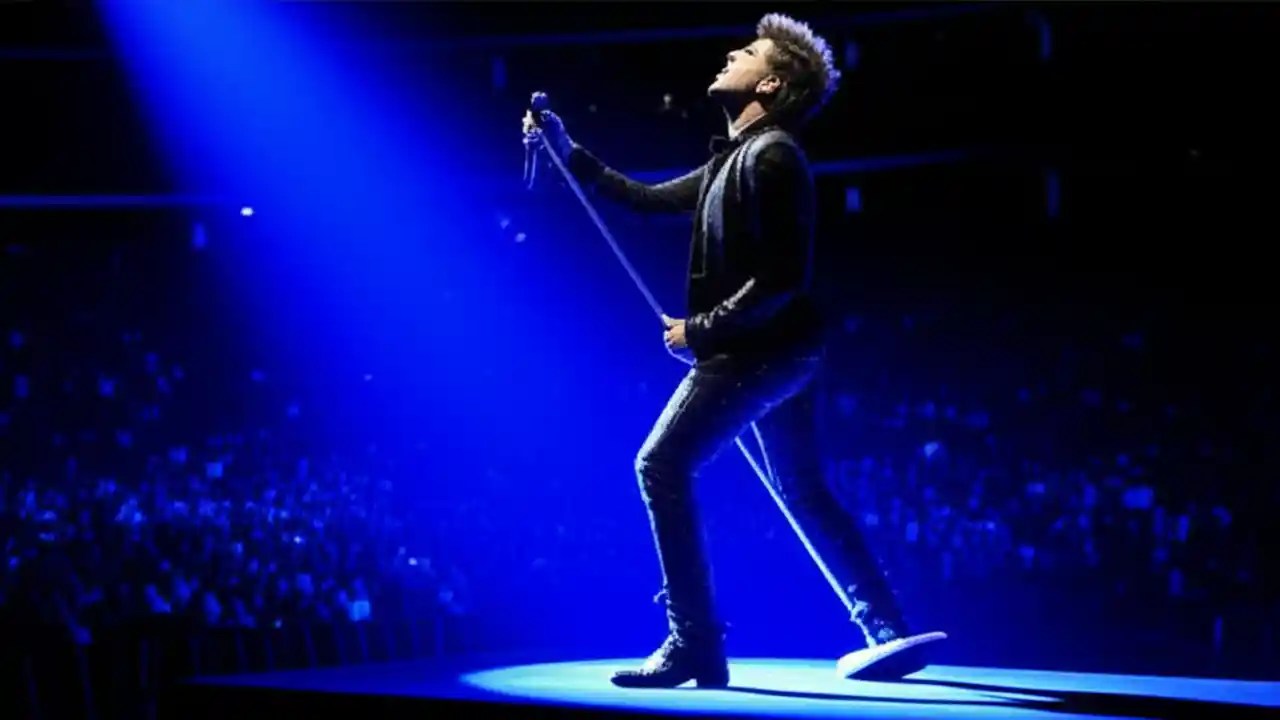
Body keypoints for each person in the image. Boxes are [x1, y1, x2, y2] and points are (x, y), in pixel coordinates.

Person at [523, 12, 944, 688]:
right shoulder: (736, 158)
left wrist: (702, 330)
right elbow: (644, 199)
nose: (729, 53)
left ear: (772, 84)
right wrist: (567, 150)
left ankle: (694, 642)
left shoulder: (773, 155)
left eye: (746, 52)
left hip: (760, 351)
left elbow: (783, 279)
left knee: (659, 466)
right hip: (781, 350)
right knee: (802, 489)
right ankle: (887, 631)